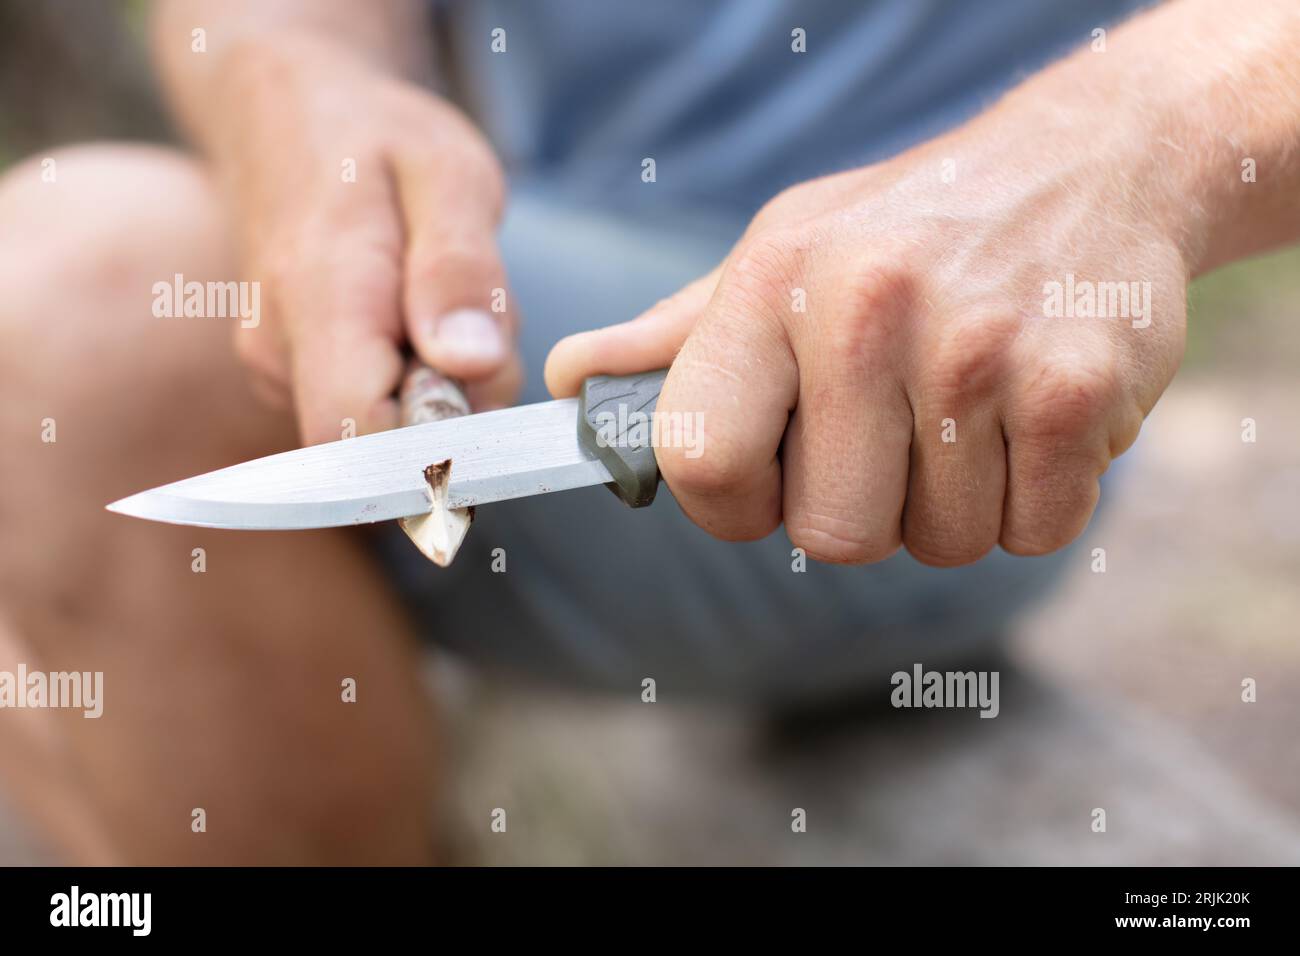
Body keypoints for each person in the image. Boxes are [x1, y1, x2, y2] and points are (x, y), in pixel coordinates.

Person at [0, 0, 1296, 864]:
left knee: (86, 293)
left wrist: (1125, 146)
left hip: (921, 387)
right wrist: (306, 95)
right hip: (562, 301)